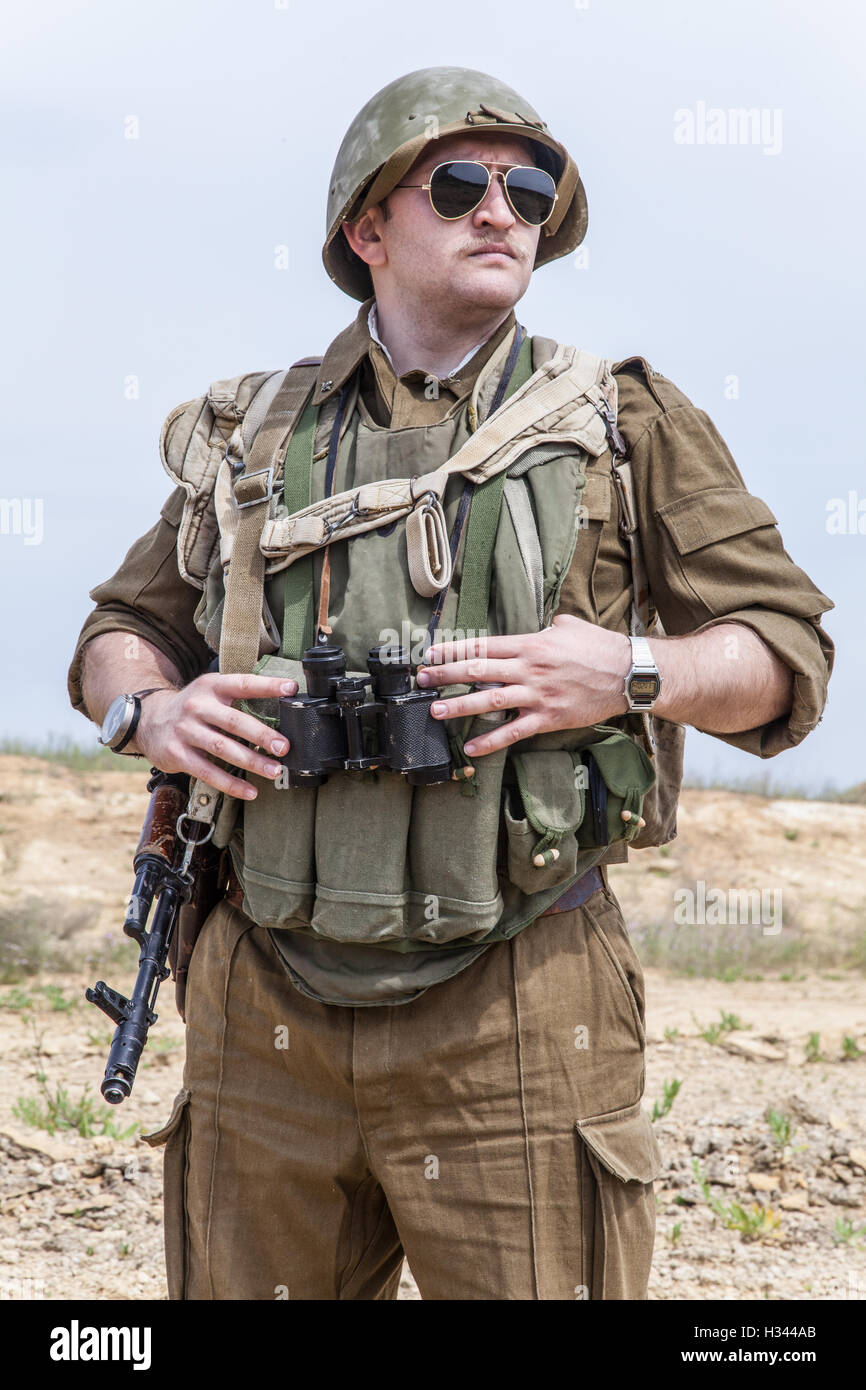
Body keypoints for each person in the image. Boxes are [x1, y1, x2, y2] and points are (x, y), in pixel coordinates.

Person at [67, 67, 834, 1301]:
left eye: (527, 192)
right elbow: (123, 627)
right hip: (265, 1000)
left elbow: (780, 656)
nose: (502, 212)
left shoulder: (618, 421)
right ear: (366, 230)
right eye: (461, 185)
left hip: (517, 1004)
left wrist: (629, 670)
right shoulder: (251, 434)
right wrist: (150, 709)